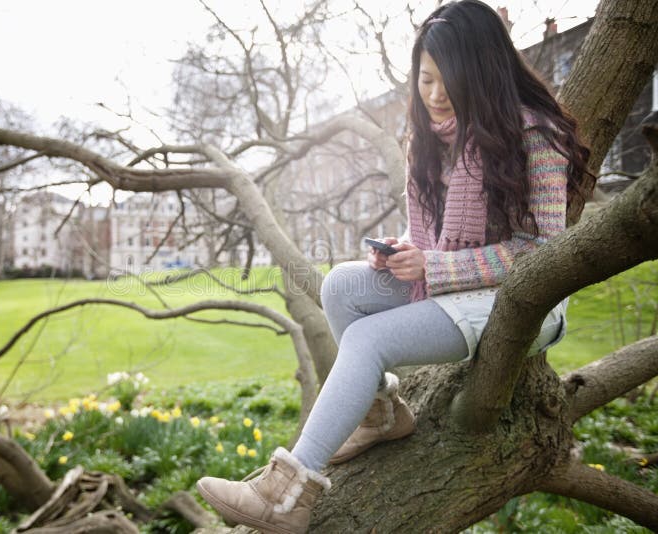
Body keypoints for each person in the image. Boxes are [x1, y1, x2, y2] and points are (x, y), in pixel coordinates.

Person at [196, 1, 591, 532]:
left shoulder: (535, 135)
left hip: (525, 301)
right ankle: (383, 414)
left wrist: (436, 267)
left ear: (481, 72)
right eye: (425, 79)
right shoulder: (429, 139)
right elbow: (433, 234)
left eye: (446, 83)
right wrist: (401, 251)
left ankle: (286, 495)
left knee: (367, 340)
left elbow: (544, 251)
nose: (432, 95)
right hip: (456, 285)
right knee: (341, 286)